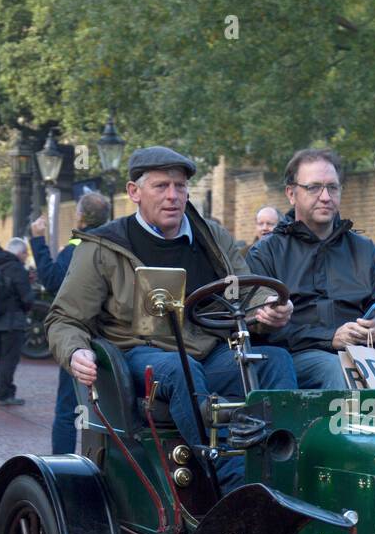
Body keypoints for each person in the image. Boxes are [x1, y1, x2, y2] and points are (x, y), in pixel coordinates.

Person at [45, 145, 296, 493]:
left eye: (179, 186)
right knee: (181, 369)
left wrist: (271, 306)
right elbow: (64, 319)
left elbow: (246, 292)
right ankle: (229, 478)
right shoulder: (102, 247)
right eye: (161, 186)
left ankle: (281, 460)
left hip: (208, 351)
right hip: (140, 356)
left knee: (274, 360)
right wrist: (75, 352)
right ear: (134, 192)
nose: (173, 196)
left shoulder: (212, 237)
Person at [246, 147, 375, 389]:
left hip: (369, 351)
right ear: (291, 193)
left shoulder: (365, 250)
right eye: (314, 187)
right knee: (337, 368)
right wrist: (330, 338)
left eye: (333, 187)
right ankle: (358, 428)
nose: (326, 197)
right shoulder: (266, 252)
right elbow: (258, 331)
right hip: (300, 356)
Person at [30, 192, 111, 452]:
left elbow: (52, 279)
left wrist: (37, 240)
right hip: (113, 339)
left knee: (68, 409)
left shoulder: (80, 244)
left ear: (80, 215)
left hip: (81, 336)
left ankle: (63, 467)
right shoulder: (116, 242)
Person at [0, 237, 34, 406]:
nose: (26, 256)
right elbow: (26, 297)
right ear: (19, 252)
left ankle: (3, 390)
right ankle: (4, 394)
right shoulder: (16, 268)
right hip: (13, 321)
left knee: (2, 359)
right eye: (26, 252)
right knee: (9, 360)